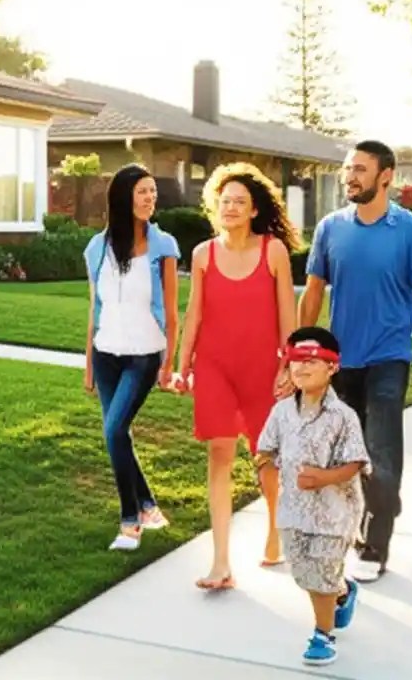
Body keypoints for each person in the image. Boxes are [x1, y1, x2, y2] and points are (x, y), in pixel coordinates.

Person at [299, 140, 412, 582]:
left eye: (359, 169)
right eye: (346, 169)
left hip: (388, 355)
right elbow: (314, 291)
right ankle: (378, 509)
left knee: (381, 451)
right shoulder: (330, 228)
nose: (350, 176)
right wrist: (301, 350)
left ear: (386, 176)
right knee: (349, 454)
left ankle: (375, 544)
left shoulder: (411, 231)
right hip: (343, 360)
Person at [175, 162, 299, 589]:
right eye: (224, 200)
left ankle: (273, 529)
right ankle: (221, 562)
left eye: (239, 202)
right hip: (214, 368)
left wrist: (290, 365)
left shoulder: (274, 251)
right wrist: (182, 365)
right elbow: (194, 314)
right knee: (219, 456)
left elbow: (289, 315)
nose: (230, 207)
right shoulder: (203, 254)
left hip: (263, 369)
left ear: (253, 210)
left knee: (266, 458)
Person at [256, 326, 370, 667]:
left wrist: (324, 477)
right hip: (294, 511)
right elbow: (265, 449)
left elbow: (355, 462)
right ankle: (341, 591)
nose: (301, 368)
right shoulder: (281, 412)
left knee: (321, 569)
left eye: (311, 361)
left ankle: (323, 635)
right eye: (294, 362)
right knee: (305, 572)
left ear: (331, 368)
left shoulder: (343, 417)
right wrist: (266, 472)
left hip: (336, 511)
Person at [83, 163, 182, 551]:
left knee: (113, 431)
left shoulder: (164, 246)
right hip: (106, 353)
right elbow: (94, 308)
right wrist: (89, 363)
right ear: (123, 197)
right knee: (117, 434)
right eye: (143, 191)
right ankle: (148, 506)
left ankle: (130, 522)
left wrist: (169, 362)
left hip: (145, 354)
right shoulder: (97, 248)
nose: (150, 199)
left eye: (153, 192)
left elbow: (173, 312)